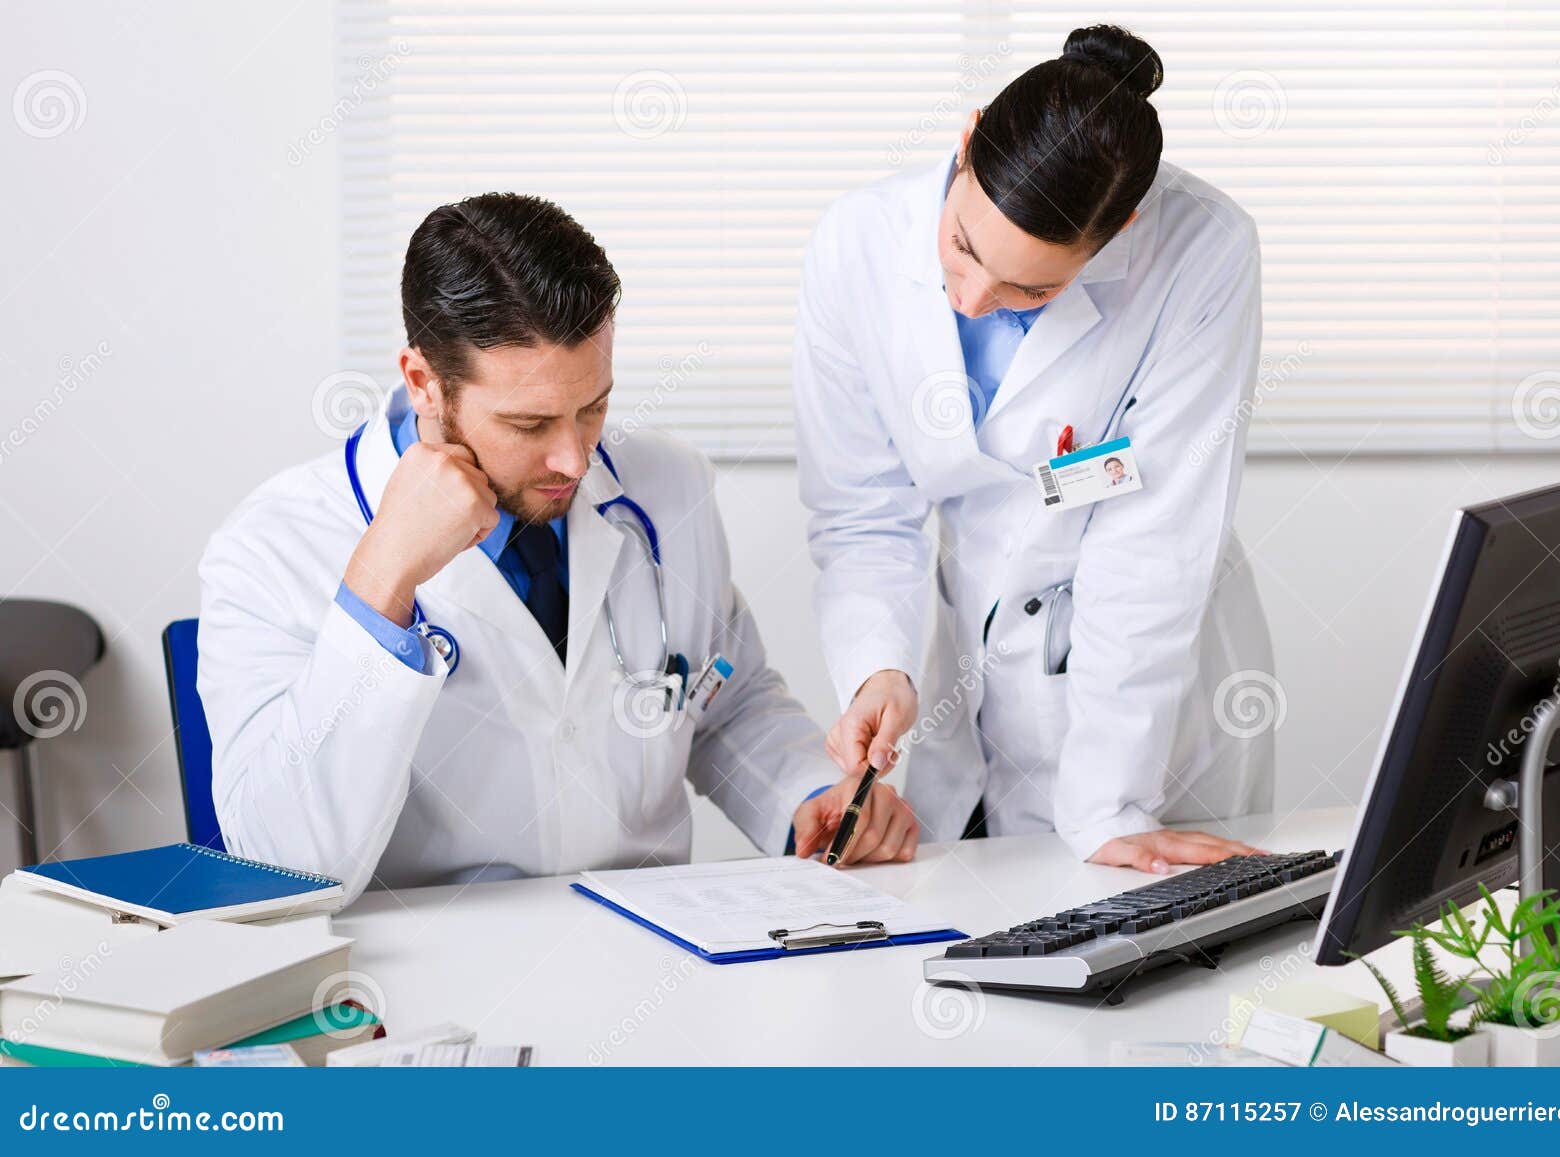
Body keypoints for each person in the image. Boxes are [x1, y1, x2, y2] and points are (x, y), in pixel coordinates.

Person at [198, 193, 916, 900]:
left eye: (593, 406)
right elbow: (282, 863)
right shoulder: (273, 546)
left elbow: (724, 702)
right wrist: (385, 575)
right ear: (423, 382)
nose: (574, 459)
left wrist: (808, 793)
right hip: (427, 978)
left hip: (652, 955)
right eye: (529, 423)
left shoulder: (668, 489)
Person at [792, 26, 1274, 874]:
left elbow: (1152, 540)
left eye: (1032, 289)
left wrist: (1109, 803)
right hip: (962, 680)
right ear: (970, 138)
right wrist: (880, 667)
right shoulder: (855, 245)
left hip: (1140, 694)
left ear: (1120, 229)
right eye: (963, 248)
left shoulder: (1203, 252)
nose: (975, 299)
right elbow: (865, 511)